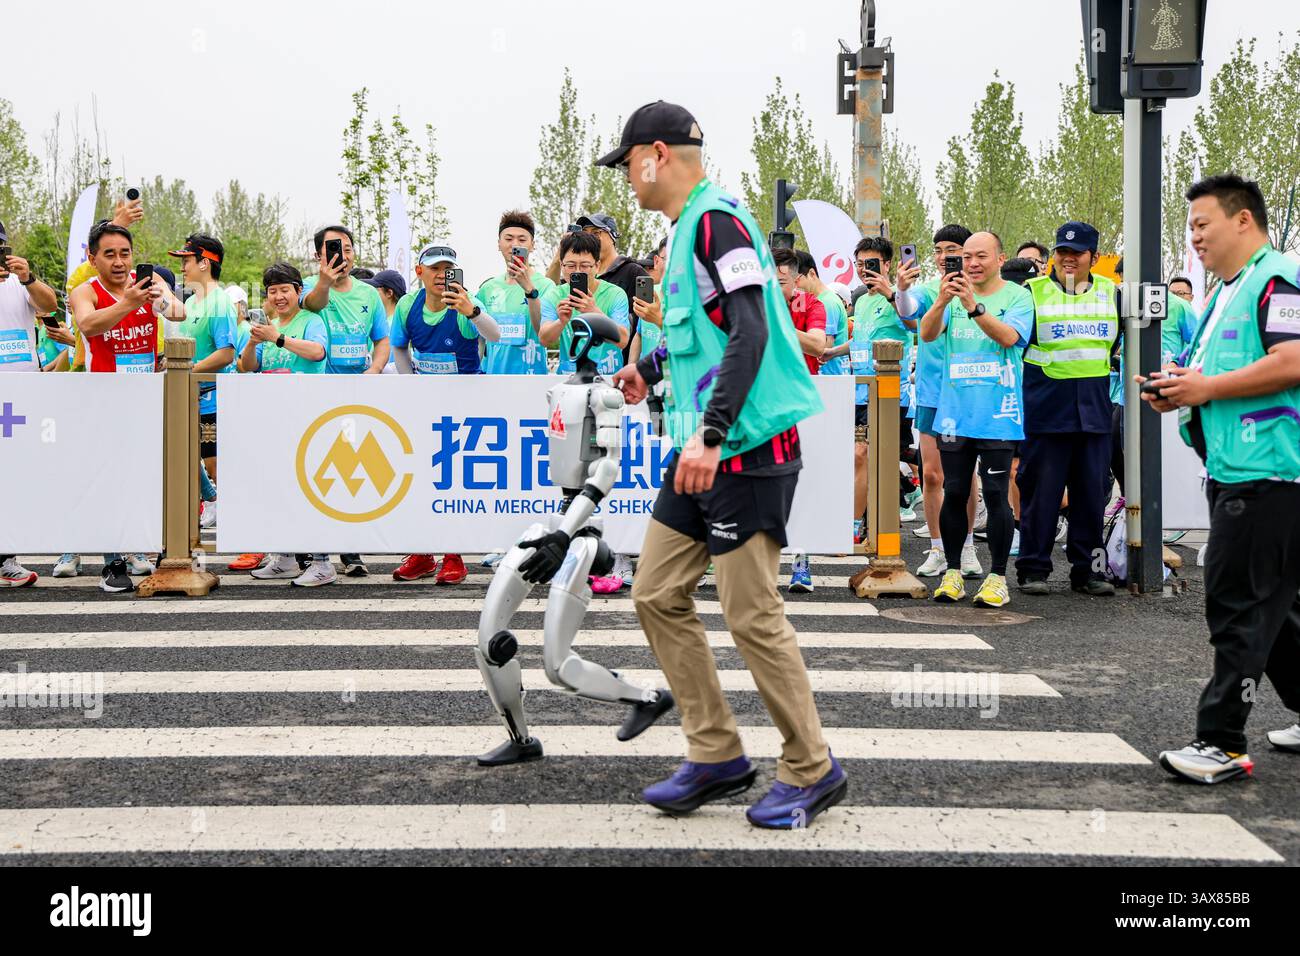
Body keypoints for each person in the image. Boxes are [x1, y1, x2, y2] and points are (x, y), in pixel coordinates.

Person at [604, 100, 846, 829]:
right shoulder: (682, 235)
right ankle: (716, 754)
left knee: (751, 614)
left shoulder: (719, 222)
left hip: (745, 448)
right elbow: (698, 336)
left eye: (627, 165)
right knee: (654, 591)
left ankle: (812, 767)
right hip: (701, 447)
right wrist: (647, 365)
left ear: (654, 154)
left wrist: (710, 434)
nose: (626, 180)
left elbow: (751, 330)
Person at [1139, 174, 1300, 783]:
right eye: (1191, 227)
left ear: (1243, 220)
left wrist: (1204, 387)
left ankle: (1223, 741)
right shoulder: (1225, 293)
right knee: (1278, 608)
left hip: (1271, 473)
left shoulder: (1276, 278)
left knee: (1238, 606)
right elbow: (1218, 372)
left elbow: (1294, 360)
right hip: (1240, 469)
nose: (1195, 237)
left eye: (1203, 224)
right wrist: (1180, 386)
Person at [920, 232, 1034, 607]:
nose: (971, 264)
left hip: (998, 413)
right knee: (955, 491)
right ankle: (953, 571)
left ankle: (997, 576)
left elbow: (1009, 337)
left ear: (999, 259)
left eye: (980, 256)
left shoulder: (1016, 296)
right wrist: (942, 300)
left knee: (998, 493)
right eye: (966, 256)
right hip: (955, 413)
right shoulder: (951, 298)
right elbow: (927, 333)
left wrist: (973, 305)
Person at [1016, 222, 1119, 596]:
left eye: (1077, 253)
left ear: (1094, 256)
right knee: (1041, 496)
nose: (1068, 258)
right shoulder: (1031, 293)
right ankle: (1033, 569)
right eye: (1062, 252)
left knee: (1091, 498)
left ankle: (1089, 571)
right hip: (1047, 411)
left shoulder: (1112, 294)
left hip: (1093, 413)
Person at [390, 243, 500, 585]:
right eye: (434, 268)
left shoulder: (463, 305)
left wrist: (472, 310)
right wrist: (410, 386)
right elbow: (398, 345)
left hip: (466, 410)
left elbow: (494, 335)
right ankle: (422, 554)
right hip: (426, 409)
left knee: (453, 483)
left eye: (447, 268)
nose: (441, 275)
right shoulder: (408, 305)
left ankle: (454, 556)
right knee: (419, 480)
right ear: (420, 272)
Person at [64, 222, 165, 592]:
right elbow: (89, 326)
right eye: (109, 254)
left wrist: (162, 298)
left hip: (145, 400)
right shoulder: (84, 291)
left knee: (145, 481)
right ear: (93, 258)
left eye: (125, 253)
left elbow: (179, 313)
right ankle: (112, 564)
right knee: (107, 484)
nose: (119, 261)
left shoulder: (147, 286)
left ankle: (154, 551)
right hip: (103, 403)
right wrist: (128, 304)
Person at [542, 230, 633, 592]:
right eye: (570, 266)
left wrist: (595, 312)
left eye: (584, 265)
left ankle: (614, 555)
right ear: (561, 267)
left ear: (598, 266)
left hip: (609, 386)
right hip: (572, 386)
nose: (576, 271)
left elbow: (623, 338)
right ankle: (570, 551)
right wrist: (564, 318)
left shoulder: (613, 295)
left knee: (606, 464)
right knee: (572, 468)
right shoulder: (554, 294)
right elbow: (545, 337)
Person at [230, 263, 331, 583]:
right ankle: (285, 557)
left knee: (312, 493)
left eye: (284, 290)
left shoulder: (311, 321)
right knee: (279, 489)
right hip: (273, 420)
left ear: (298, 292)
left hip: (308, 418)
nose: (279, 296)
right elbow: (247, 367)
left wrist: (278, 338)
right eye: (272, 291)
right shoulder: (268, 324)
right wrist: (252, 341)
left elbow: (317, 352)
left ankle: (323, 562)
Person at [301, 225, 391, 579]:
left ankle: (351, 549)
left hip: (359, 396)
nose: (344, 254)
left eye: (348, 247)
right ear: (318, 255)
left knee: (353, 474)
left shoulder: (369, 295)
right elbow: (313, 305)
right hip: (320, 395)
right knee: (320, 471)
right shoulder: (310, 287)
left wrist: (376, 369)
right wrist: (325, 280)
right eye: (335, 248)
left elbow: (381, 339)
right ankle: (317, 552)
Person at [895, 224, 981, 578]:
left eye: (953, 249)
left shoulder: (980, 292)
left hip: (970, 392)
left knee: (965, 477)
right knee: (932, 475)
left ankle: (968, 547)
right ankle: (938, 548)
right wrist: (900, 289)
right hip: (932, 393)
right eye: (940, 249)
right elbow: (909, 313)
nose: (945, 255)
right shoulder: (930, 290)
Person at [0, 220, 59, 587]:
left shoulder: (17, 282)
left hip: (19, 396)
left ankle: (7, 557)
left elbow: (50, 306)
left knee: (13, 478)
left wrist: (27, 278)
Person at [847, 238, 917, 545]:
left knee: (875, 459)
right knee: (859, 459)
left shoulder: (903, 296)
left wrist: (892, 291)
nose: (865, 270)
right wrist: (831, 351)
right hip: (859, 393)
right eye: (860, 264)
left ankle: (879, 532)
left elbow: (914, 323)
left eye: (871, 263)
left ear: (887, 264)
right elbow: (858, 344)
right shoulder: (861, 301)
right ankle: (864, 526)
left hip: (890, 395)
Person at [160, 234, 237, 493]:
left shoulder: (221, 302)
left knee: (212, 462)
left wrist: (187, 370)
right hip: (189, 396)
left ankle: (224, 513)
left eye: (187, 261)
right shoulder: (191, 302)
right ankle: (205, 509)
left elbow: (226, 353)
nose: (182, 268)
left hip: (211, 400)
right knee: (189, 459)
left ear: (205, 263)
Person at [477, 210, 556, 376]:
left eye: (522, 239)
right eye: (508, 238)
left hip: (531, 379)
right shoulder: (488, 288)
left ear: (532, 245)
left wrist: (529, 289)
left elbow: (544, 333)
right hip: (493, 380)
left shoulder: (546, 286)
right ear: (499, 244)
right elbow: (479, 339)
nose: (515, 244)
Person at [577, 212, 648, 363]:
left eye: (596, 233)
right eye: (585, 234)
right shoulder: (580, 274)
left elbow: (647, 322)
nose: (590, 238)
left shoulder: (636, 272)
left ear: (613, 236)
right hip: (585, 358)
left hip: (620, 362)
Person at [795, 249, 849, 376]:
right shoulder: (810, 301)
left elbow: (824, 345)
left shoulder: (827, 302)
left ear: (812, 273)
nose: (795, 286)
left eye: (797, 280)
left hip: (830, 378)